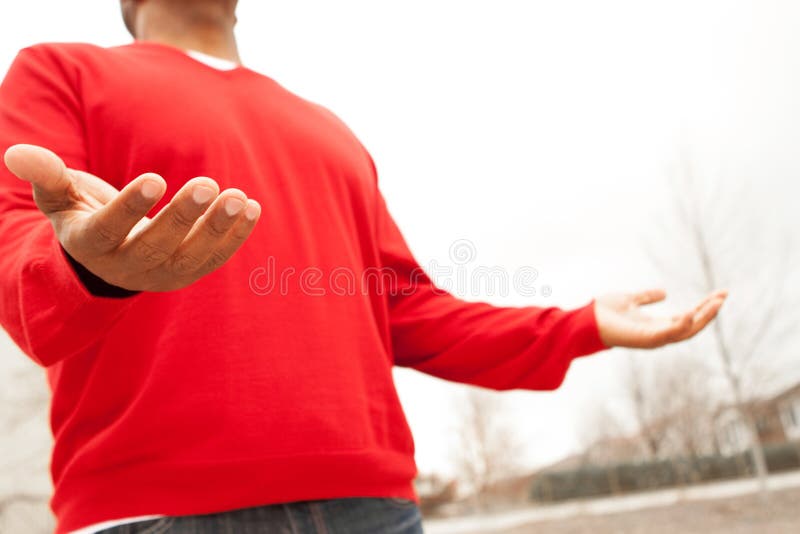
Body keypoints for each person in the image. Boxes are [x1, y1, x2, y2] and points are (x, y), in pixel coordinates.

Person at [0, 1, 727, 533]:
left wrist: (580, 325)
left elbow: (405, 308)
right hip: (153, 511)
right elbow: (17, 243)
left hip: (369, 507)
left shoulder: (329, 128)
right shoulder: (61, 71)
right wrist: (83, 264)